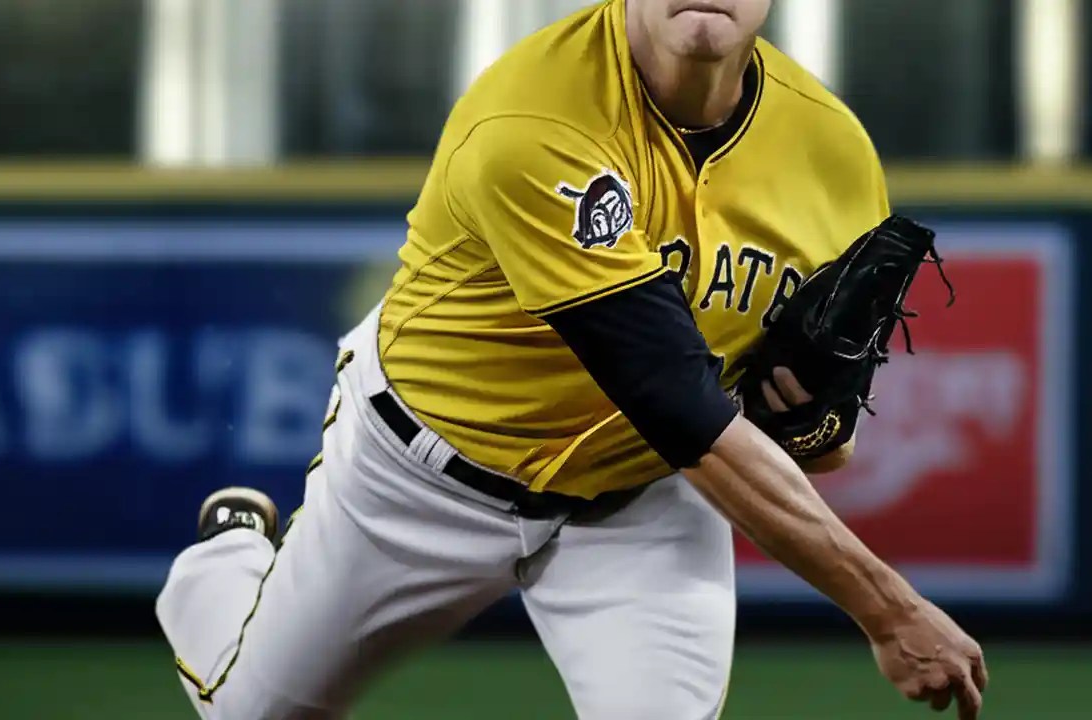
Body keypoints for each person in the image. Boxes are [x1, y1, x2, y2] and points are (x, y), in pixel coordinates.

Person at [156, 1, 989, 718]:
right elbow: (676, 405)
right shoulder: (532, 118)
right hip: (422, 476)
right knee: (251, 710)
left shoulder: (834, 156)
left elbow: (825, 440)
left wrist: (806, 421)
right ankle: (229, 553)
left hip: (644, 501)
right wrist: (888, 609)